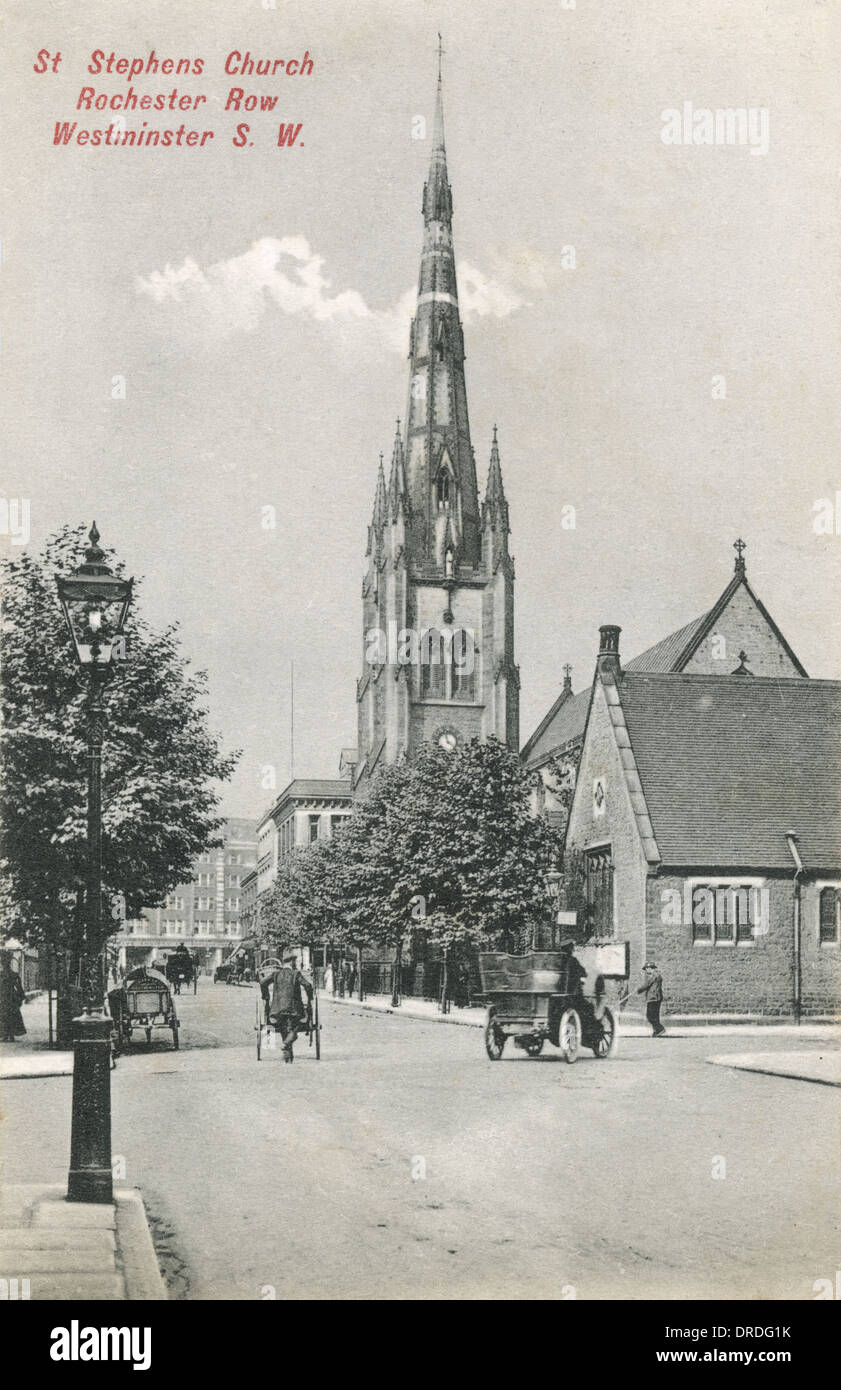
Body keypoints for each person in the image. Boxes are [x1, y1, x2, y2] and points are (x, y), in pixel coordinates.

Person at [260, 948, 313, 1062]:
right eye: (295, 962)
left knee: (284, 1028)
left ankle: (288, 1055)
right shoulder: (296, 974)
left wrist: (266, 996)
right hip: (294, 1009)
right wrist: (310, 998)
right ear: (292, 962)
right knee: (295, 1028)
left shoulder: (276, 974)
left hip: (277, 1009)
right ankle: (286, 1044)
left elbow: (263, 982)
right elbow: (308, 985)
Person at [0, 957, 26, 1041]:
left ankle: (6, 1035)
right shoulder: (14, 974)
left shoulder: (2, 974)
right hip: (11, 997)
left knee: (4, 1015)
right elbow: (19, 988)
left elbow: (19, 987)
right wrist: (20, 998)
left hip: (4, 996)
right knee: (11, 1015)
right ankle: (10, 1035)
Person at [637, 962, 666, 1036]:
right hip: (655, 998)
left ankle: (660, 1029)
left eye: (646, 969)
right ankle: (656, 1031)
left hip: (653, 998)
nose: (646, 971)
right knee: (655, 1016)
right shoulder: (656, 975)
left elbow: (647, 984)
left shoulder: (654, 975)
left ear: (650, 968)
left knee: (650, 1016)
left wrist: (639, 990)